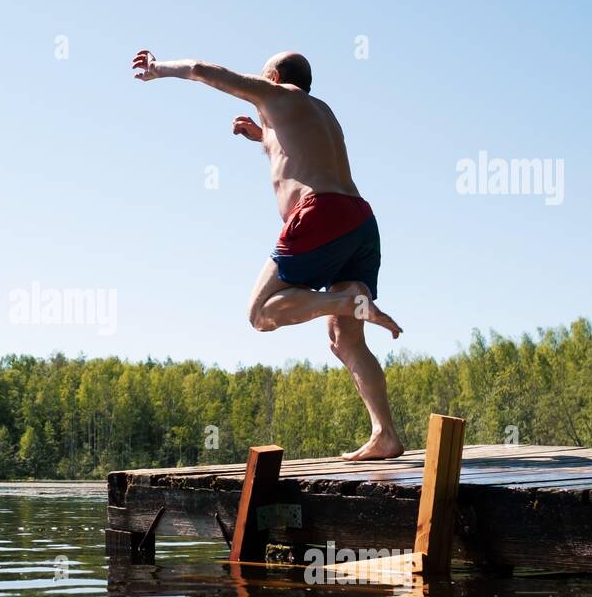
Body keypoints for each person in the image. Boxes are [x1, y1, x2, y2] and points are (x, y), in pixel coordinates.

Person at [132, 48, 403, 461]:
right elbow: (301, 151)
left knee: (259, 314)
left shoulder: (277, 94)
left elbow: (205, 71)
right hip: (361, 221)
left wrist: (159, 70)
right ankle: (385, 434)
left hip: (319, 215)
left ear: (273, 78)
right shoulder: (321, 111)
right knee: (344, 339)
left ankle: (345, 302)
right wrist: (261, 137)